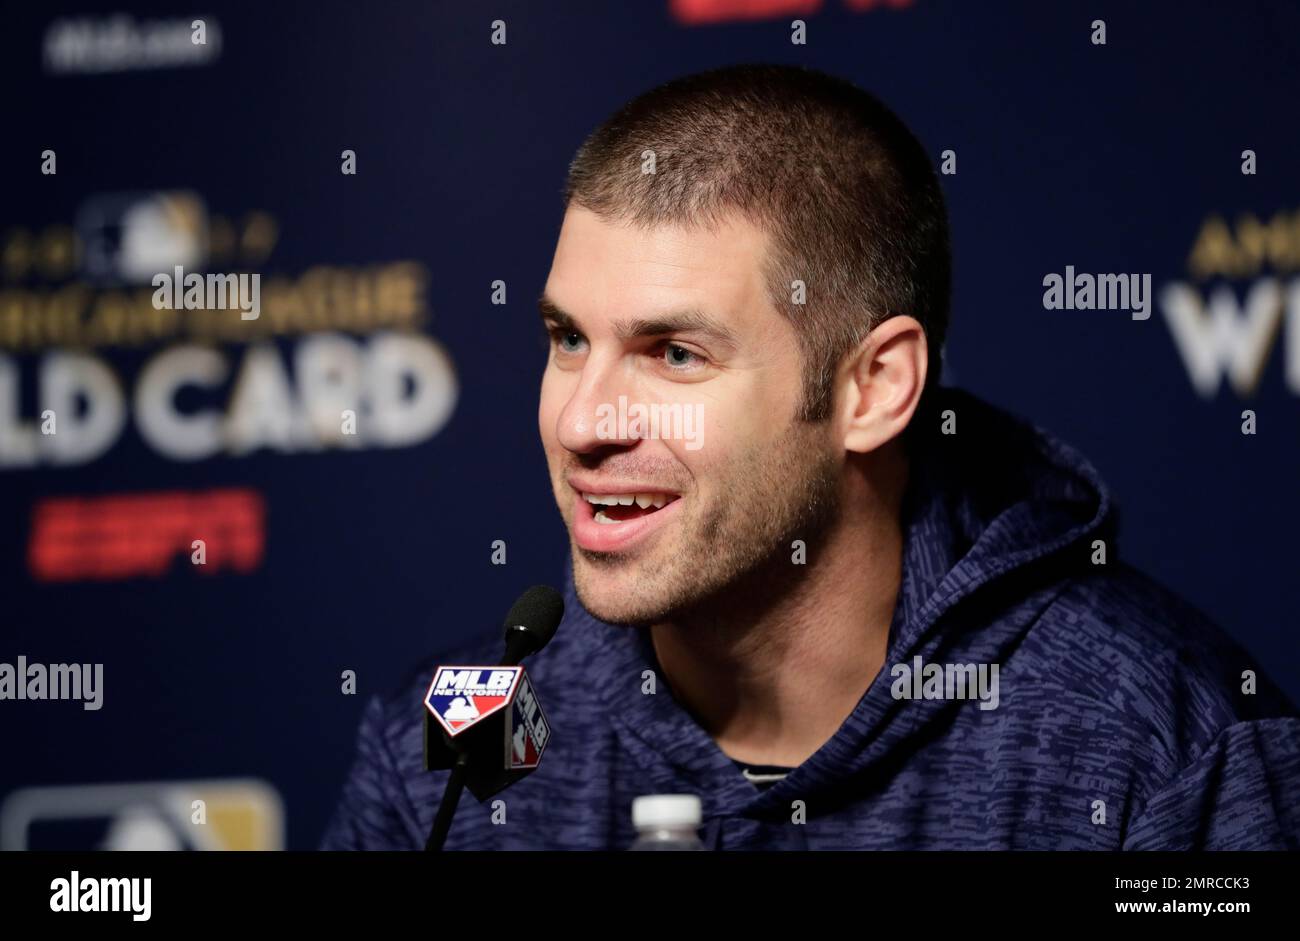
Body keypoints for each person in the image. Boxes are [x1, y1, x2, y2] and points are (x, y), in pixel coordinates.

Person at [322, 64, 1299, 850]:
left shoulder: (1155, 741)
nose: (583, 422)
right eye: (568, 338)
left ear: (871, 388)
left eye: (674, 353)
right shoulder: (462, 734)